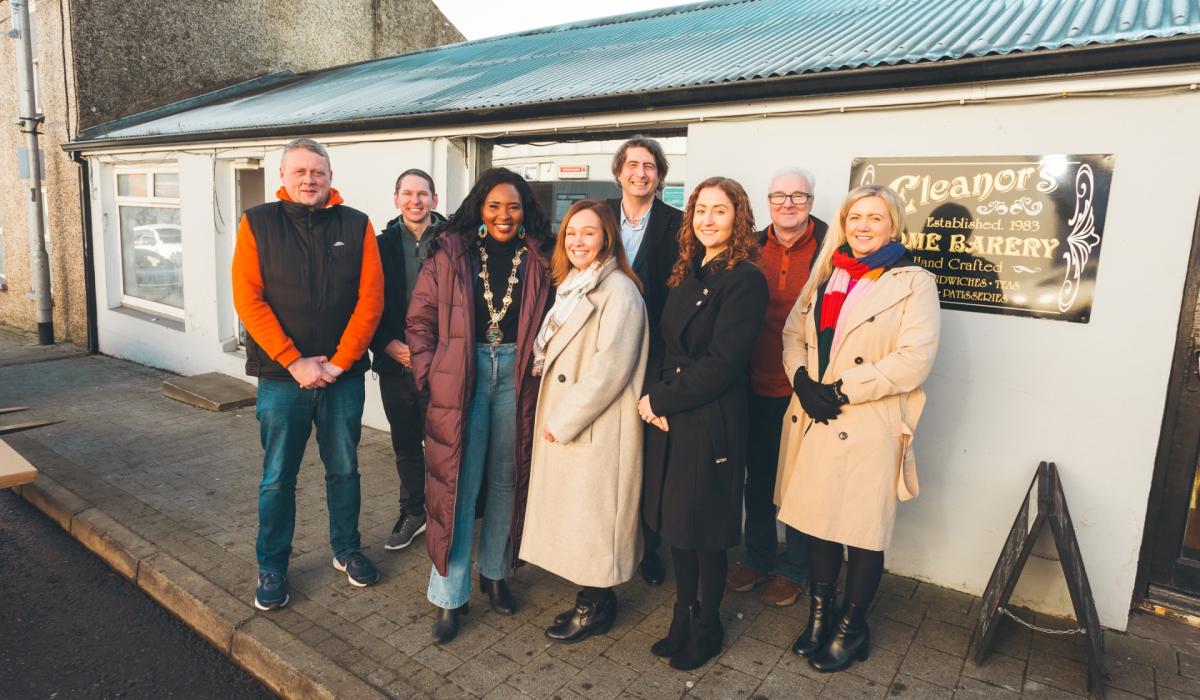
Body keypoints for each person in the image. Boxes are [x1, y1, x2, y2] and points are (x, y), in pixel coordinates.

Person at [776, 185, 940, 673]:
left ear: (893, 225)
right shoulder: (826, 275)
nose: (863, 227)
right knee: (819, 525)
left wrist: (844, 390)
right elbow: (792, 335)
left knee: (863, 531)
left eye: (875, 218)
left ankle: (853, 627)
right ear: (844, 224)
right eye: (855, 218)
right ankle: (821, 615)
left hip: (867, 420)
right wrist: (803, 381)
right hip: (815, 416)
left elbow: (914, 360)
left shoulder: (914, 282)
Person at [232, 137, 384, 611]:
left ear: (330, 176)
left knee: (344, 469)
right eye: (299, 171)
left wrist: (339, 361)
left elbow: (371, 300)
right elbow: (248, 298)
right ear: (282, 177)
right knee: (278, 476)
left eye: (317, 171)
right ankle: (273, 564)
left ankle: (346, 549)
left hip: (343, 377)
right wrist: (294, 361)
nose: (308, 179)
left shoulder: (356, 225)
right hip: (281, 379)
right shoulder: (258, 223)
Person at [406, 167, 554, 644]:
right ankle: (450, 596)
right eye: (494, 206)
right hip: (463, 374)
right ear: (479, 209)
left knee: (507, 481)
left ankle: (495, 573)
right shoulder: (451, 251)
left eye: (513, 206)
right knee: (458, 484)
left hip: (516, 373)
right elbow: (420, 318)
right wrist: (431, 372)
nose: (504, 215)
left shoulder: (541, 256)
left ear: (525, 209)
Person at [638, 177, 768, 670]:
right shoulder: (686, 270)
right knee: (677, 525)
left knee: (704, 527)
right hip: (671, 411)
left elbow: (723, 362)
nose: (708, 219)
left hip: (710, 416)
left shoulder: (745, 279)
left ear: (738, 218)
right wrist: (653, 396)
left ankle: (707, 623)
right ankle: (681, 615)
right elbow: (665, 342)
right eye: (700, 210)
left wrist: (662, 400)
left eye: (720, 210)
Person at [521, 200, 649, 644]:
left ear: (607, 238)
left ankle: (596, 605)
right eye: (571, 232)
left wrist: (564, 419)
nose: (577, 241)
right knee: (582, 518)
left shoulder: (619, 290)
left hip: (596, 425)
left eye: (588, 233)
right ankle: (590, 599)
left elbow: (610, 369)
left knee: (595, 520)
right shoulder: (574, 284)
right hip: (574, 418)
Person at [727, 169, 826, 607]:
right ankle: (760, 555)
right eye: (779, 196)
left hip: (804, 387)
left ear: (811, 200)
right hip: (752, 380)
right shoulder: (748, 247)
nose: (788, 204)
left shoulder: (831, 246)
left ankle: (795, 567)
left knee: (802, 481)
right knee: (759, 477)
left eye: (798, 196)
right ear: (767, 202)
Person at [605, 135, 682, 587]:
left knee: (649, 457)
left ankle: (649, 547)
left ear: (659, 175)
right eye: (632, 164)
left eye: (649, 165)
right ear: (619, 172)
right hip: (604, 352)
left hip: (654, 353)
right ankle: (610, 540)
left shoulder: (678, 223)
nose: (640, 172)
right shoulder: (597, 217)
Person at [371, 168, 446, 552]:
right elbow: (365, 303)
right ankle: (412, 511)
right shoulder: (378, 245)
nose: (415, 201)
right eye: (408, 194)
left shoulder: (454, 243)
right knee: (405, 443)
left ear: (434, 199)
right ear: (396, 199)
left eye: (423, 194)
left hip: (442, 367)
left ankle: (442, 516)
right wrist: (384, 344)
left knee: (443, 445)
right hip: (395, 363)